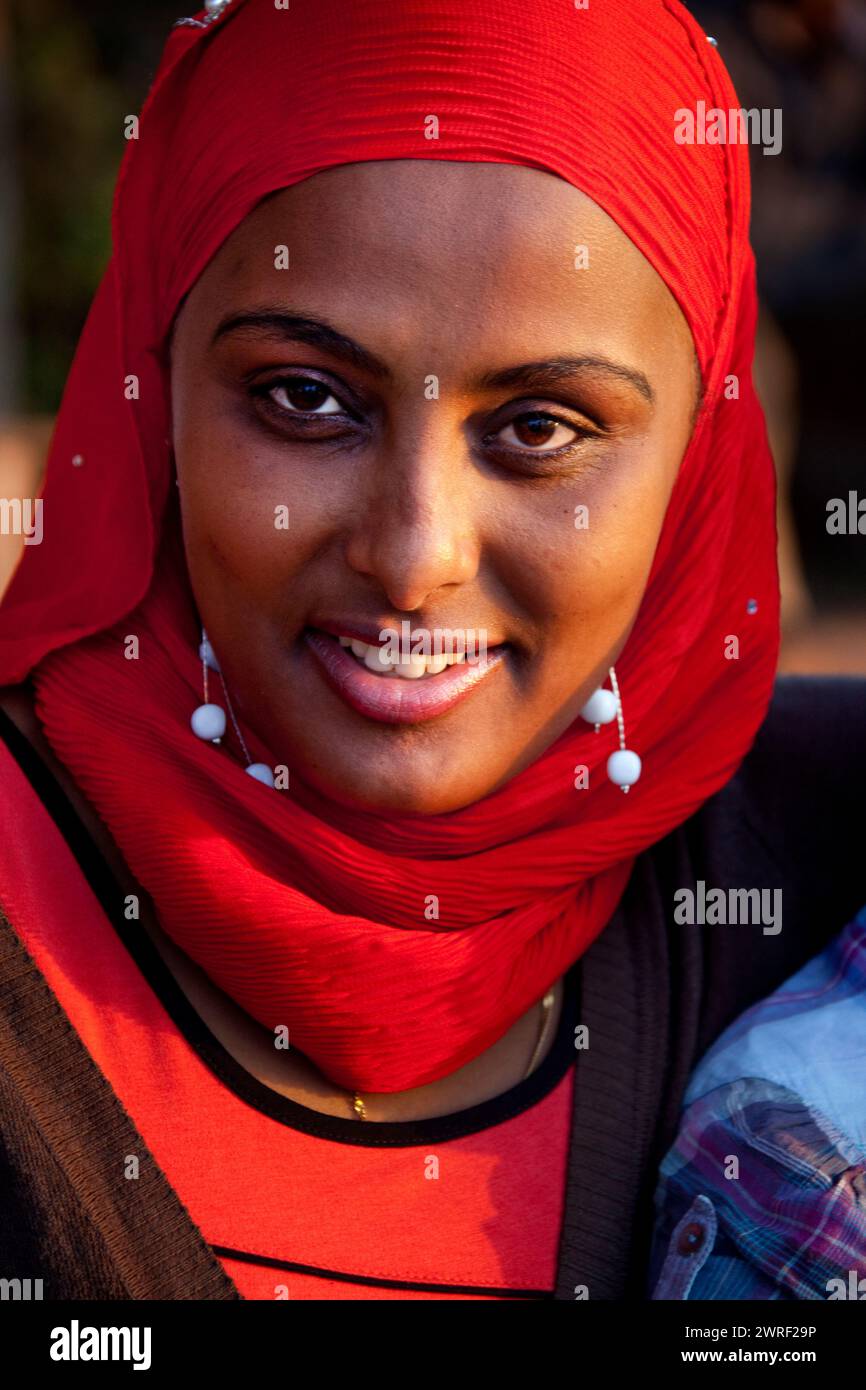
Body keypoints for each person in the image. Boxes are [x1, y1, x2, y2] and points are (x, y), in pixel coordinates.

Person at [0, 0, 862, 1302]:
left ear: (700, 441)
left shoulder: (817, 867)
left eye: (541, 425)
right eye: (304, 395)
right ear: (153, 369)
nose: (414, 556)